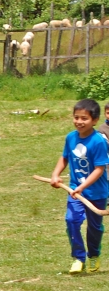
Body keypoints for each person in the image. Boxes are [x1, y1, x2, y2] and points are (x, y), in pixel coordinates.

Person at [50, 98, 109, 274]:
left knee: (95, 227)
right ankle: (78, 257)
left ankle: (94, 255)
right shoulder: (71, 137)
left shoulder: (99, 141)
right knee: (72, 220)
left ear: (95, 120)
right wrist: (55, 174)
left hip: (96, 192)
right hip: (75, 190)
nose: (79, 122)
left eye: (84, 118)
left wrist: (83, 187)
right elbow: (65, 157)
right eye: (76, 117)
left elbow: (99, 169)